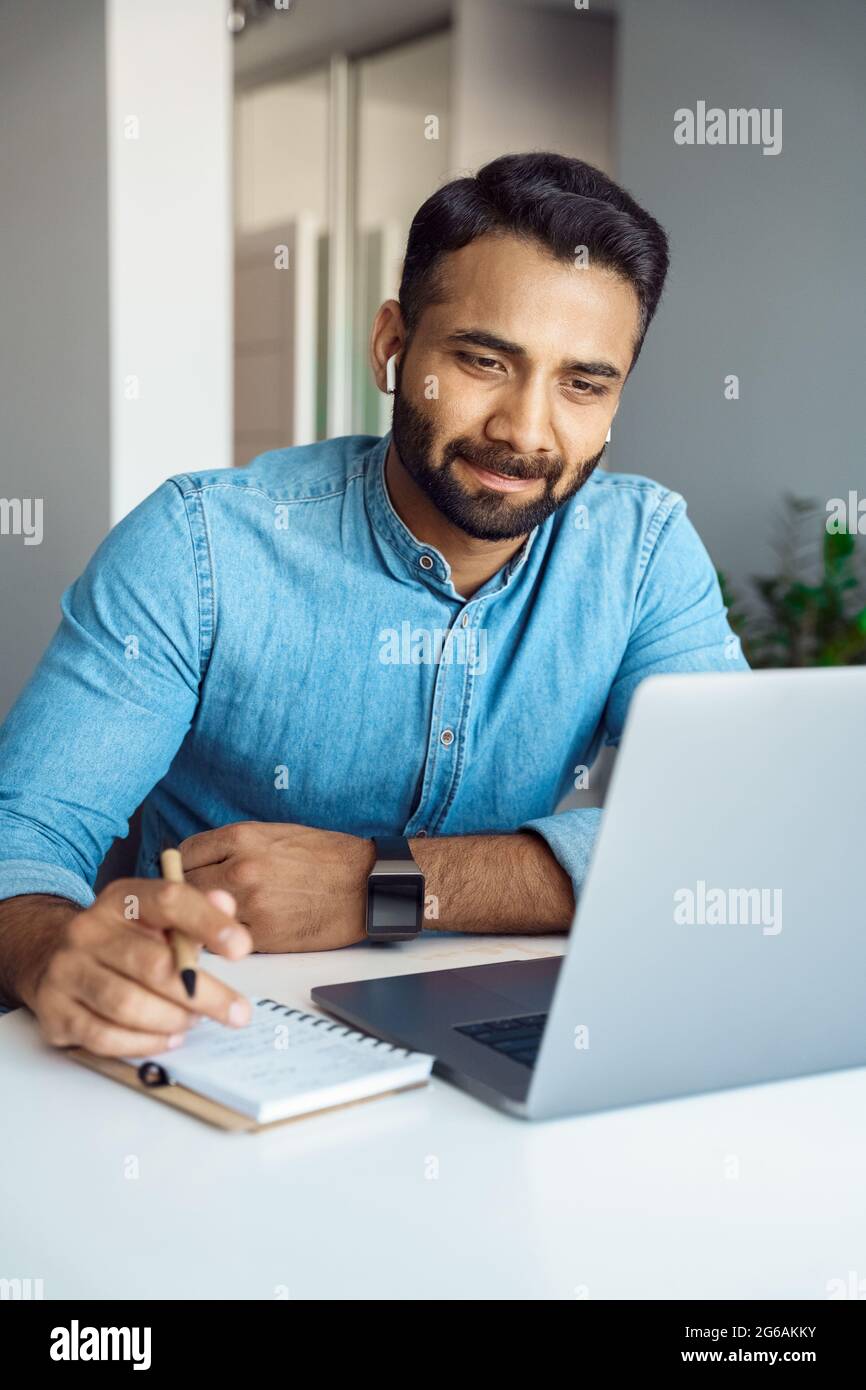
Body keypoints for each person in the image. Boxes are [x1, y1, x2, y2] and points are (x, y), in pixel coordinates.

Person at [0, 152, 748, 1055]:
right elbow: (24, 834)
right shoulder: (200, 546)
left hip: (509, 1035)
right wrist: (51, 952)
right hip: (217, 1035)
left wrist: (377, 883)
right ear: (393, 347)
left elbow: (728, 839)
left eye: (582, 383)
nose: (526, 429)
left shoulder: (643, 554)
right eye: (484, 360)